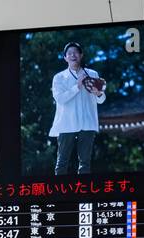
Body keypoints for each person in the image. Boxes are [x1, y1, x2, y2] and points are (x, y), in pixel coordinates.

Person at [50, 41, 106, 175]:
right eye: (69, 53)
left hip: (88, 123)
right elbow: (60, 98)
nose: (72, 55)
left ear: (81, 55)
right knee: (62, 162)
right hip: (66, 123)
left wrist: (98, 93)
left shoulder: (92, 74)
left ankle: (83, 194)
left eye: (75, 52)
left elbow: (102, 99)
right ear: (65, 58)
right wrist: (77, 86)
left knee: (85, 163)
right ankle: (58, 194)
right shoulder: (59, 77)